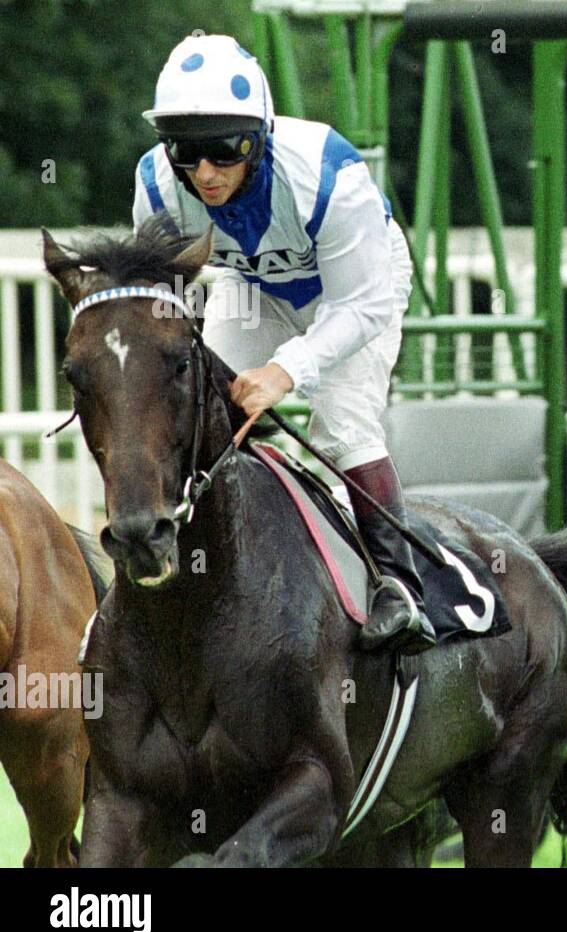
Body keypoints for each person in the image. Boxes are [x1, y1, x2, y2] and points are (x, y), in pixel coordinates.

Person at [132, 34, 434, 653]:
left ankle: (399, 588)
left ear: (258, 137)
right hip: (254, 286)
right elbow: (163, 300)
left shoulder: (328, 173)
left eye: (224, 150)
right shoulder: (157, 185)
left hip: (354, 291)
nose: (206, 173)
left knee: (343, 428)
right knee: (199, 411)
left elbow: (363, 304)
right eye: (188, 152)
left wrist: (286, 370)